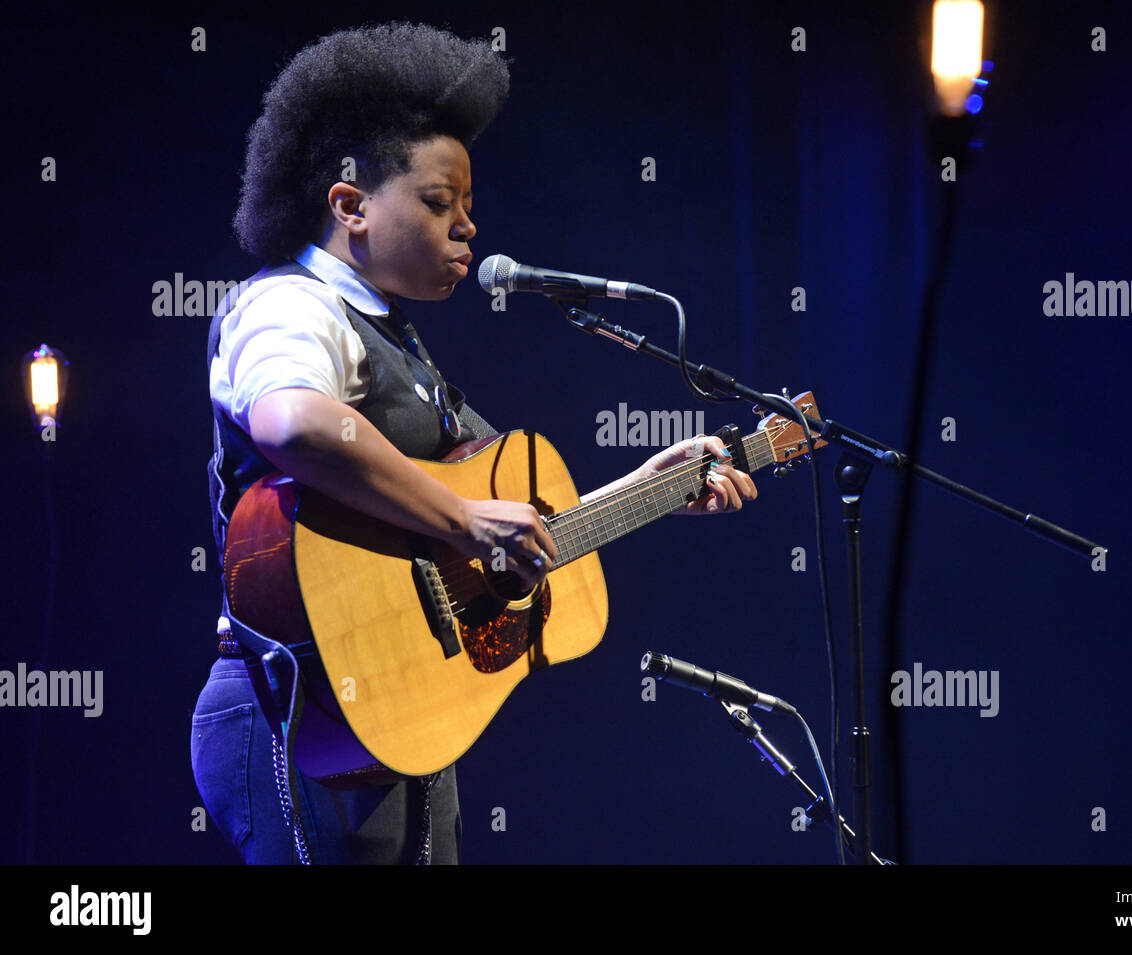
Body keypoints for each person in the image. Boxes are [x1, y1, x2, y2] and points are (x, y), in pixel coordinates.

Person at [190, 22, 757, 865]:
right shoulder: (289, 305)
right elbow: (293, 421)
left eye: (466, 206)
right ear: (350, 205)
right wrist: (463, 518)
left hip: (398, 713)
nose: (467, 228)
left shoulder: (404, 350)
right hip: (299, 704)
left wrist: (654, 480)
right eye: (436, 201)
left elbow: (517, 525)